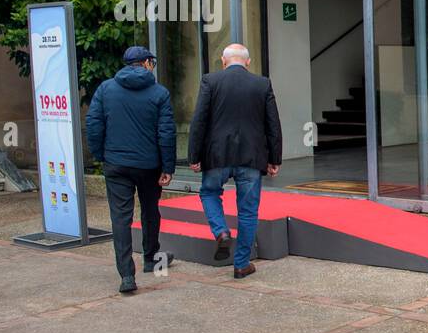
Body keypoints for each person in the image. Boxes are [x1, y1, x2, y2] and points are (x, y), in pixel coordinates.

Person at [85, 46, 176, 293]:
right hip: (149, 165)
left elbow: (93, 124)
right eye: (152, 62)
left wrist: (101, 155)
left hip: (116, 164)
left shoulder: (106, 89)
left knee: (120, 218)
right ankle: (150, 259)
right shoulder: (159, 93)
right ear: (146, 63)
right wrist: (168, 166)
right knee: (149, 211)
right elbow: (166, 132)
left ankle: (127, 276)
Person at [187, 44, 282, 279]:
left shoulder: (210, 81)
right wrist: (274, 159)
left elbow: (199, 121)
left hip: (217, 155)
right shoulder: (262, 84)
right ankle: (241, 264)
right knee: (248, 211)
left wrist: (194, 156)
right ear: (248, 62)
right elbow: (273, 124)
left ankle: (221, 232)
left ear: (223, 60)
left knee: (209, 193)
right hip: (251, 156)